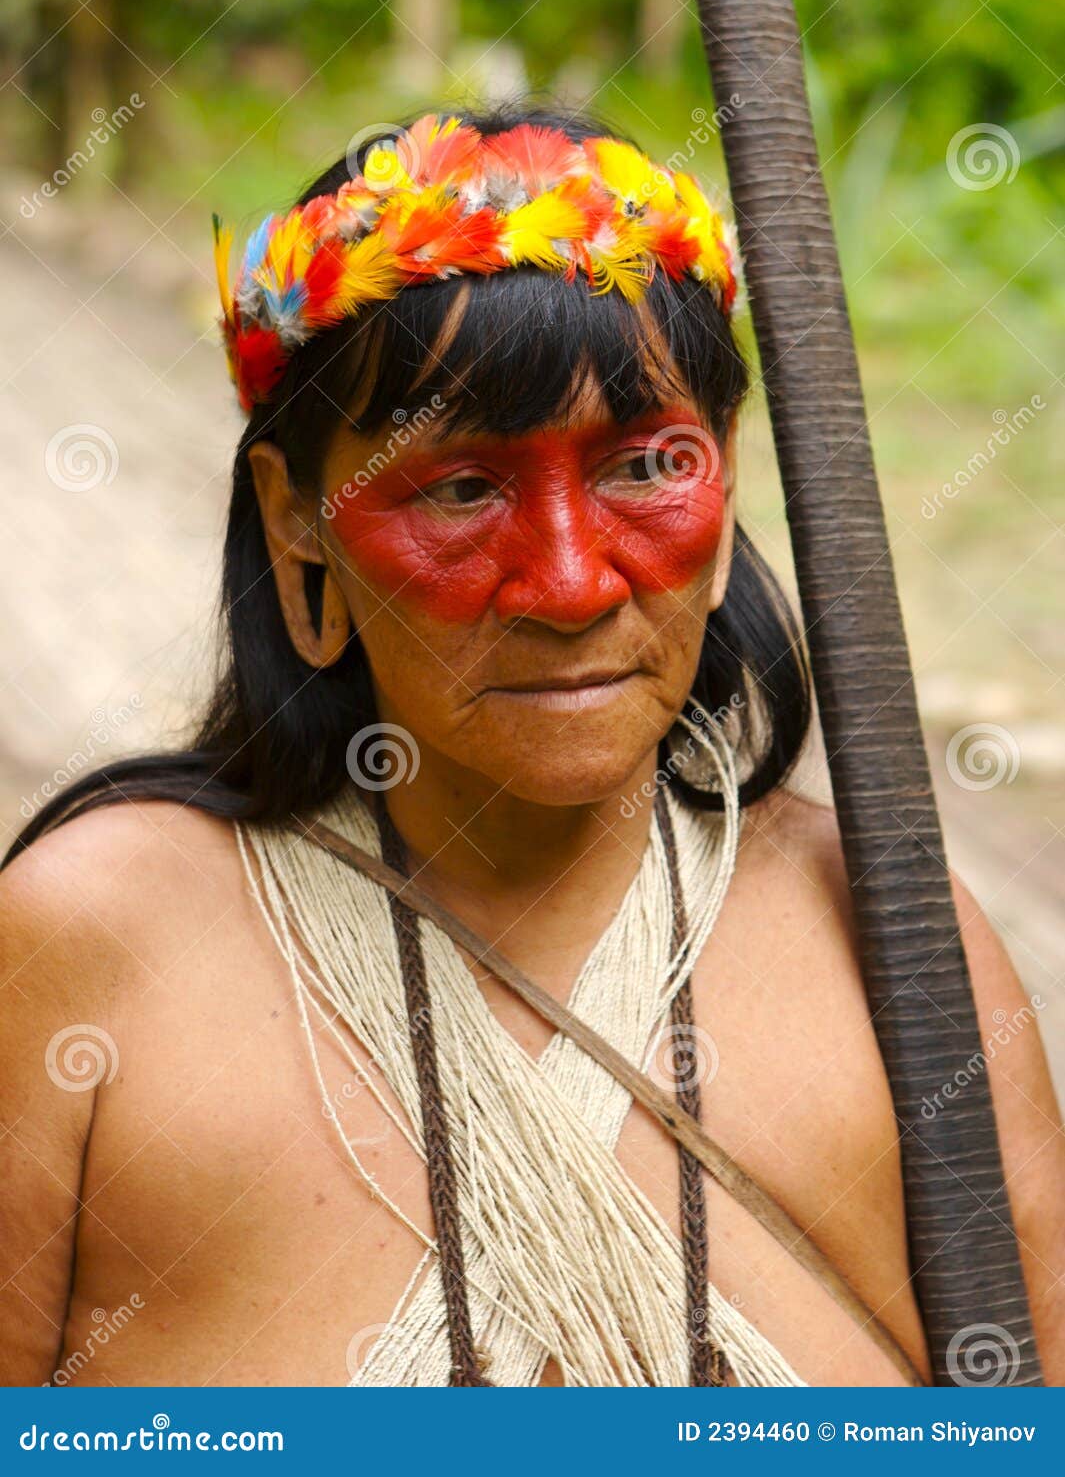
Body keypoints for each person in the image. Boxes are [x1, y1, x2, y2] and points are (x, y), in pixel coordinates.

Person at [1, 105, 1061, 1388]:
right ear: (297, 521)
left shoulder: (890, 939)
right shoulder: (91, 948)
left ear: (725, 483)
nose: (568, 586)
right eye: (459, 488)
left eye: (642, 469)